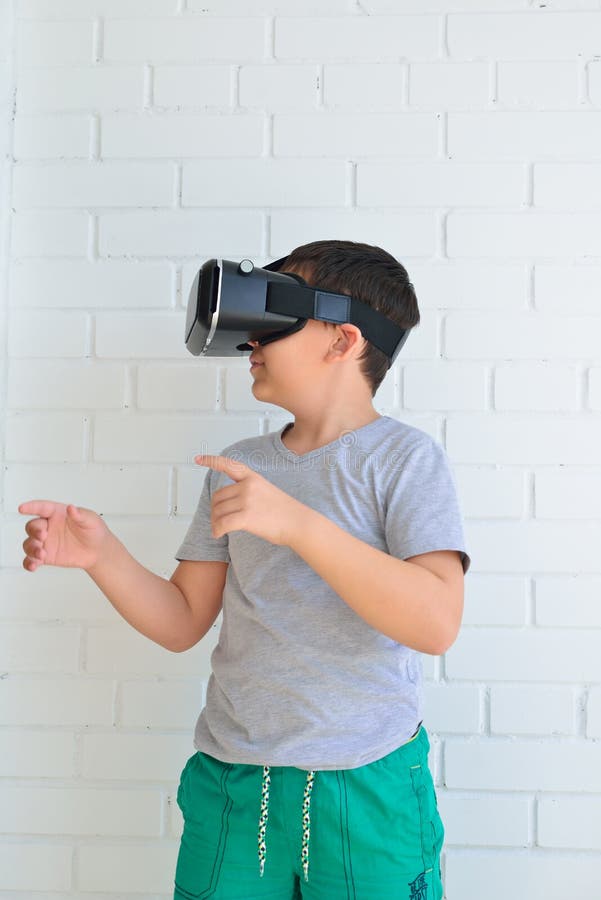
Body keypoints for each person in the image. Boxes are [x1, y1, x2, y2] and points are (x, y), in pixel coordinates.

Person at [19, 239, 471, 900]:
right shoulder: (242, 465)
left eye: (277, 318)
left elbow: (435, 622)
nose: (251, 340)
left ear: (343, 341)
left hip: (365, 782)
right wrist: (101, 556)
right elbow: (182, 622)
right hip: (233, 780)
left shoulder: (402, 459)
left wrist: (296, 524)